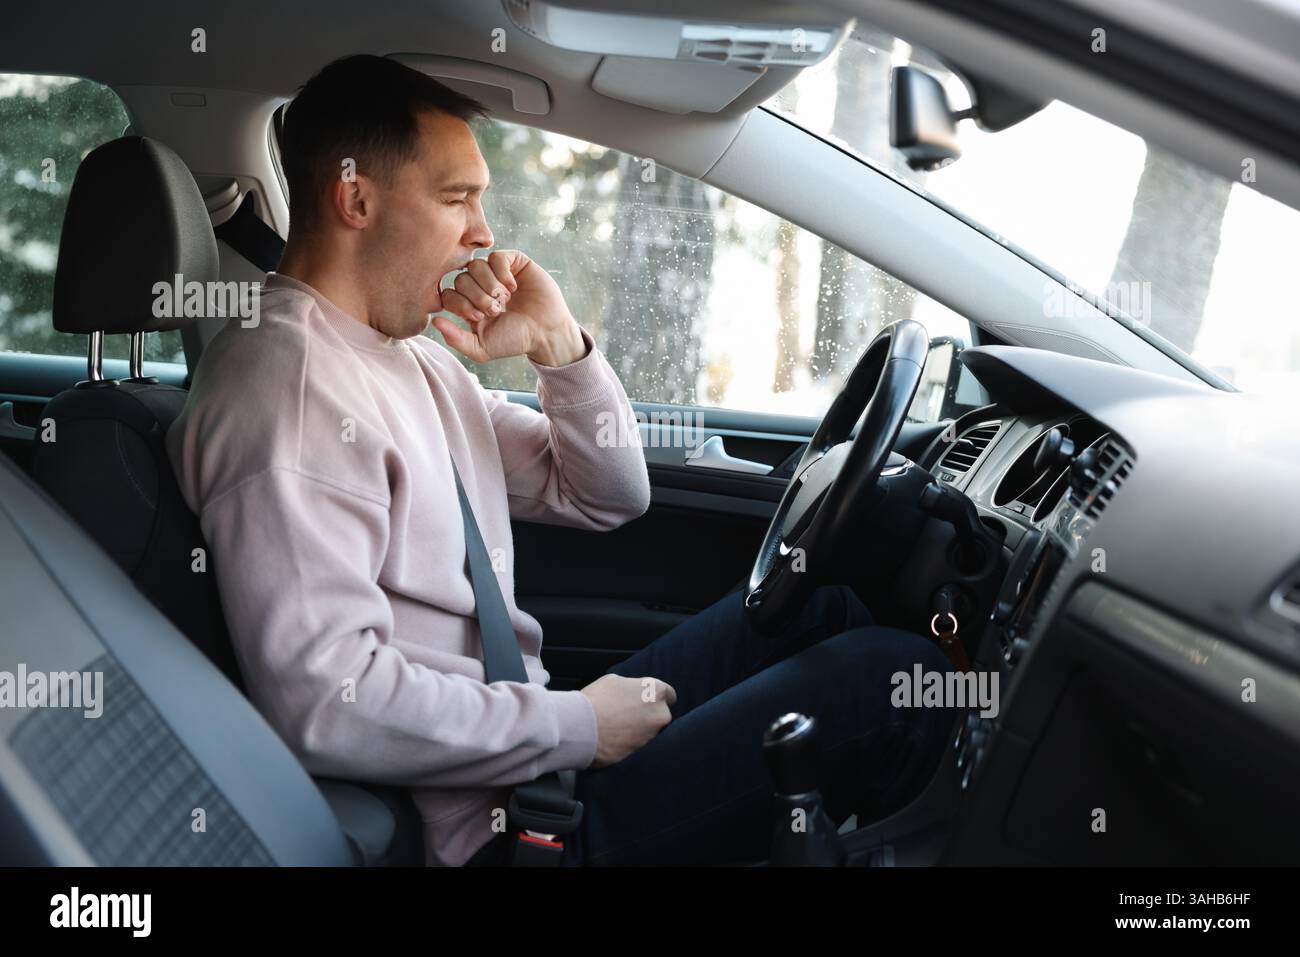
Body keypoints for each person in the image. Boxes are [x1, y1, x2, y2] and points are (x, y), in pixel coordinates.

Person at [168, 54, 955, 867]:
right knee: (886, 683)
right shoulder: (289, 391)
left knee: (819, 607)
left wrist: (560, 349)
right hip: (501, 828)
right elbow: (325, 700)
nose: (483, 232)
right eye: (456, 198)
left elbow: (606, 494)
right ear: (356, 199)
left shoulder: (407, 358)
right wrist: (579, 725)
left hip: (528, 745)